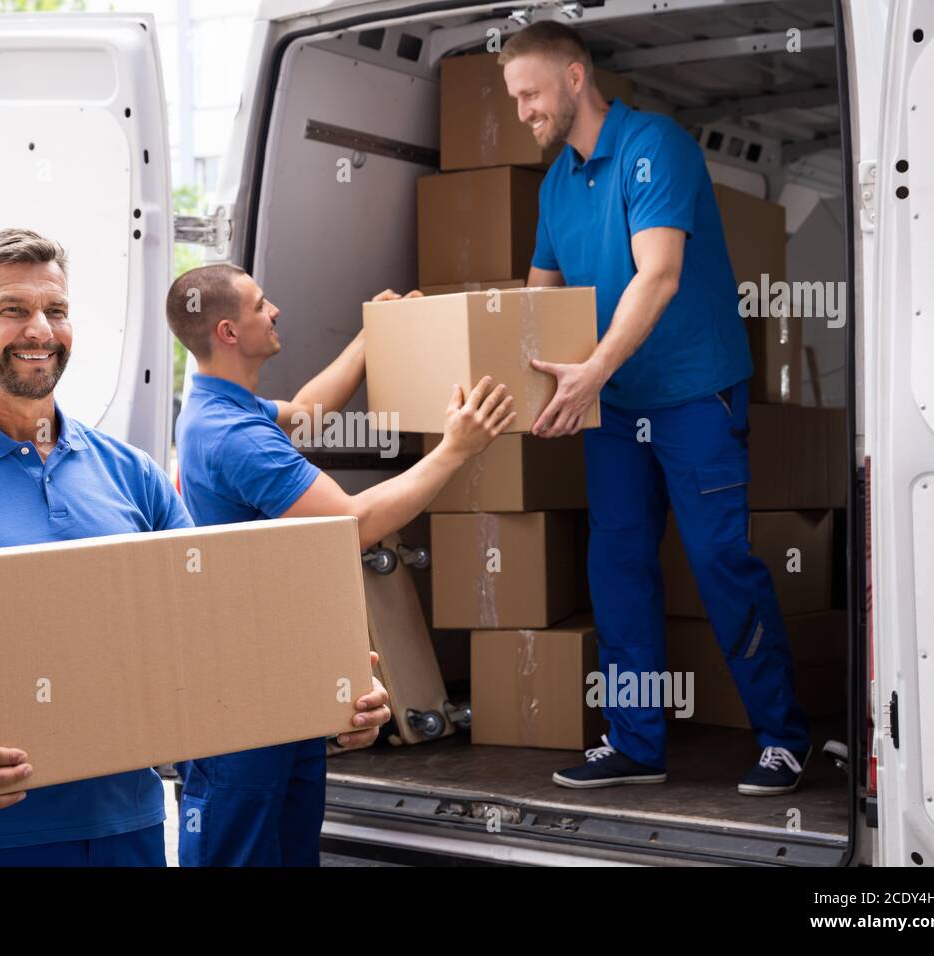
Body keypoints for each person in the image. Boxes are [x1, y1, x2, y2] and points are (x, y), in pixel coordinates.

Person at [0, 229, 394, 867]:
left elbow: (209, 638)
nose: (40, 330)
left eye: (57, 310)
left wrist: (325, 698)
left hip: (127, 833)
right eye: (13, 310)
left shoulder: (132, 476)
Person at [500, 22, 811, 795]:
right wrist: (454, 341)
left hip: (690, 392)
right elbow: (538, 301)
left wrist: (592, 373)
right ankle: (636, 740)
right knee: (619, 569)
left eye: (531, 94)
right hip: (612, 404)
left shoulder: (655, 145)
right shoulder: (555, 186)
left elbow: (659, 274)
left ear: (576, 77)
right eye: (513, 100)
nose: (522, 114)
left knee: (718, 561)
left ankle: (783, 739)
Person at [167, 264, 515, 864]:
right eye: (260, 305)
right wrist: (456, 449)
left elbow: (306, 411)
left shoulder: (222, 404)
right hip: (245, 696)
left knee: (291, 844)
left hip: (278, 676)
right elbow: (350, 523)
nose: (275, 311)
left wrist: (368, 335)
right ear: (227, 331)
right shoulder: (235, 437)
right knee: (244, 847)